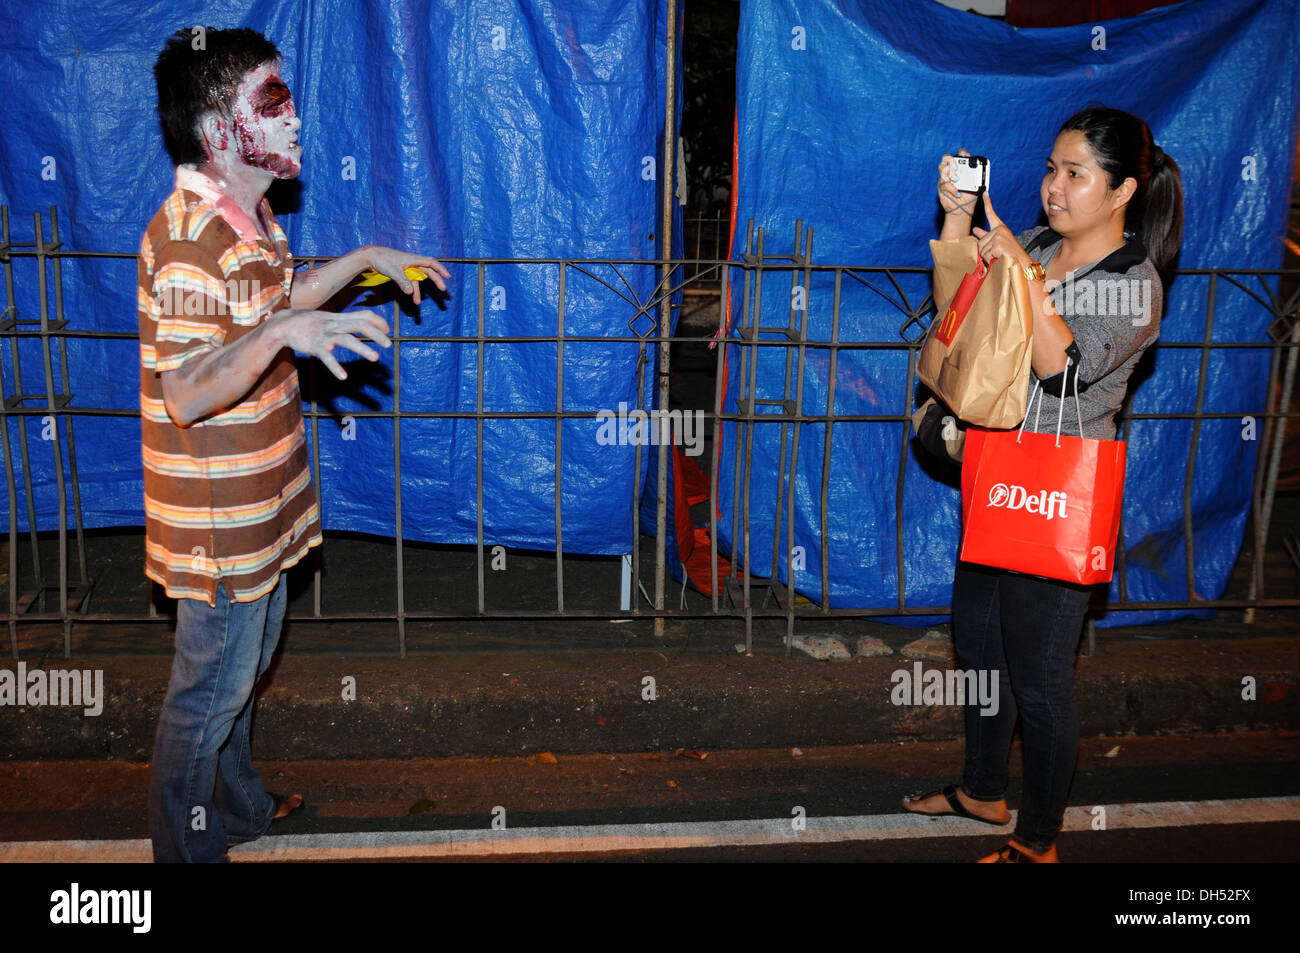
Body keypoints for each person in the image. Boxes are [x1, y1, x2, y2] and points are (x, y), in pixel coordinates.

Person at [142, 27, 450, 862]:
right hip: (219, 524)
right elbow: (186, 389)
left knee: (244, 674)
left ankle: (237, 806)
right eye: (273, 102)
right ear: (218, 132)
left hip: (266, 504)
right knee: (209, 693)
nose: (296, 117)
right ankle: (184, 847)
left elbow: (281, 298)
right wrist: (285, 329)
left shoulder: (250, 214)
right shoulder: (185, 238)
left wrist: (367, 259)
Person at [902, 107, 1184, 862]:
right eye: (1052, 169)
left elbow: (1063, 370)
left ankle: (1038, 839)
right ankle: (983, 788)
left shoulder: (1133, 283)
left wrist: (1024, 273)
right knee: (979, 643)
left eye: (1076, 173)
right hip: (996, 475)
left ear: (1122, 190)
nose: (1054, 187)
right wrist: (959, 227)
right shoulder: (1032, 245)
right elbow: (955, 313)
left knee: (1039, 676)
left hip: (1058, 491)